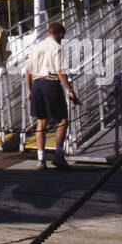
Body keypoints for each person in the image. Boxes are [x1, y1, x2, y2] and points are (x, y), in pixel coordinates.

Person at [24, 21, 78, 170]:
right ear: (60, 34)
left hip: (36, 85)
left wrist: (29, 90)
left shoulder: (35, 47)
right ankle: (58, 154)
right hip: (50, 85)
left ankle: (41, 160)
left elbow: (27, 71)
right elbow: (60, 72)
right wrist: (70, 90)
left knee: (41, 122)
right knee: (62, 119)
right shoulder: (57, 47)